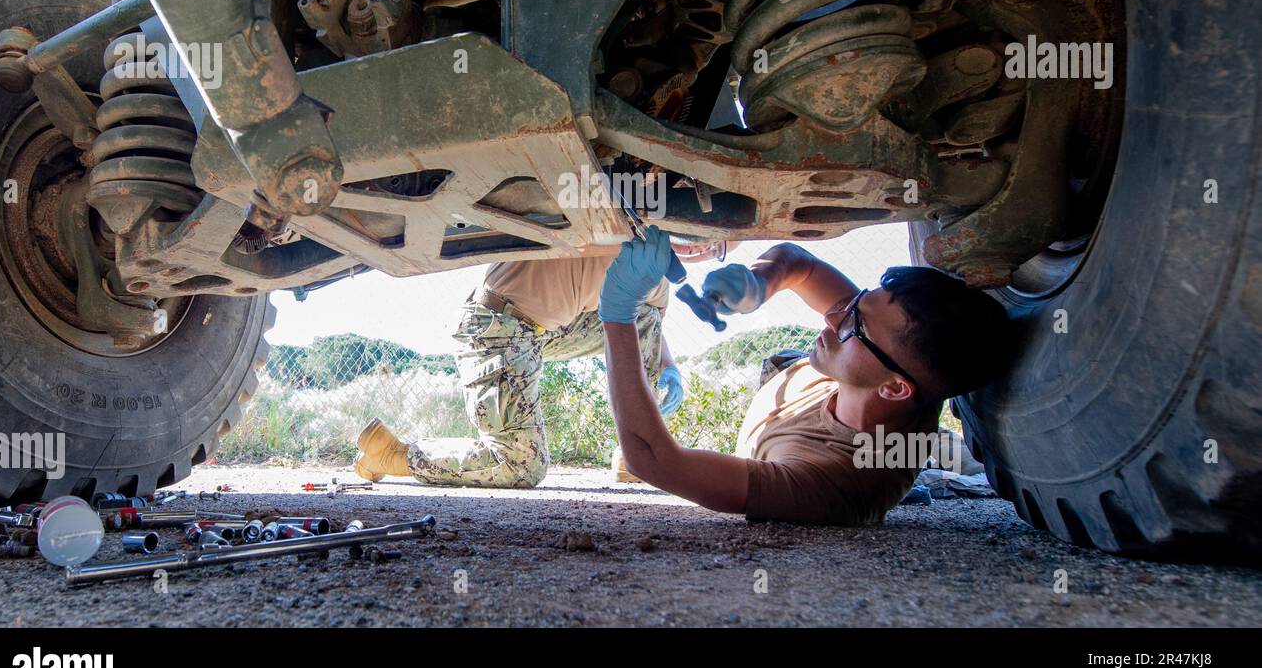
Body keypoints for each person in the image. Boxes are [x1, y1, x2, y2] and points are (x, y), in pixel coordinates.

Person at [596, 227, 1014, 525]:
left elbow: (652, 459)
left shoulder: (834, 485)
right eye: (858, 302)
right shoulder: (908, 354)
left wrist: (617, 312)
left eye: (853, 325)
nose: (833, 315)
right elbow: (800, 263)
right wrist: (759, 283)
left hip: (782, 430)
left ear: (895, 387)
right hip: (795, 374)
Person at [353, 239, 728, 488]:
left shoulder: (657, 277)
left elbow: (648, 326)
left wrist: (671, 369)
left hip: (547, 331)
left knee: (644, 315)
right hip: (497, 326)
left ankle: (636, 452)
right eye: (710, 235)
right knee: (521, 465)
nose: (706, 246)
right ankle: (393, 455)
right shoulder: (622, 218)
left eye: (720, 249)